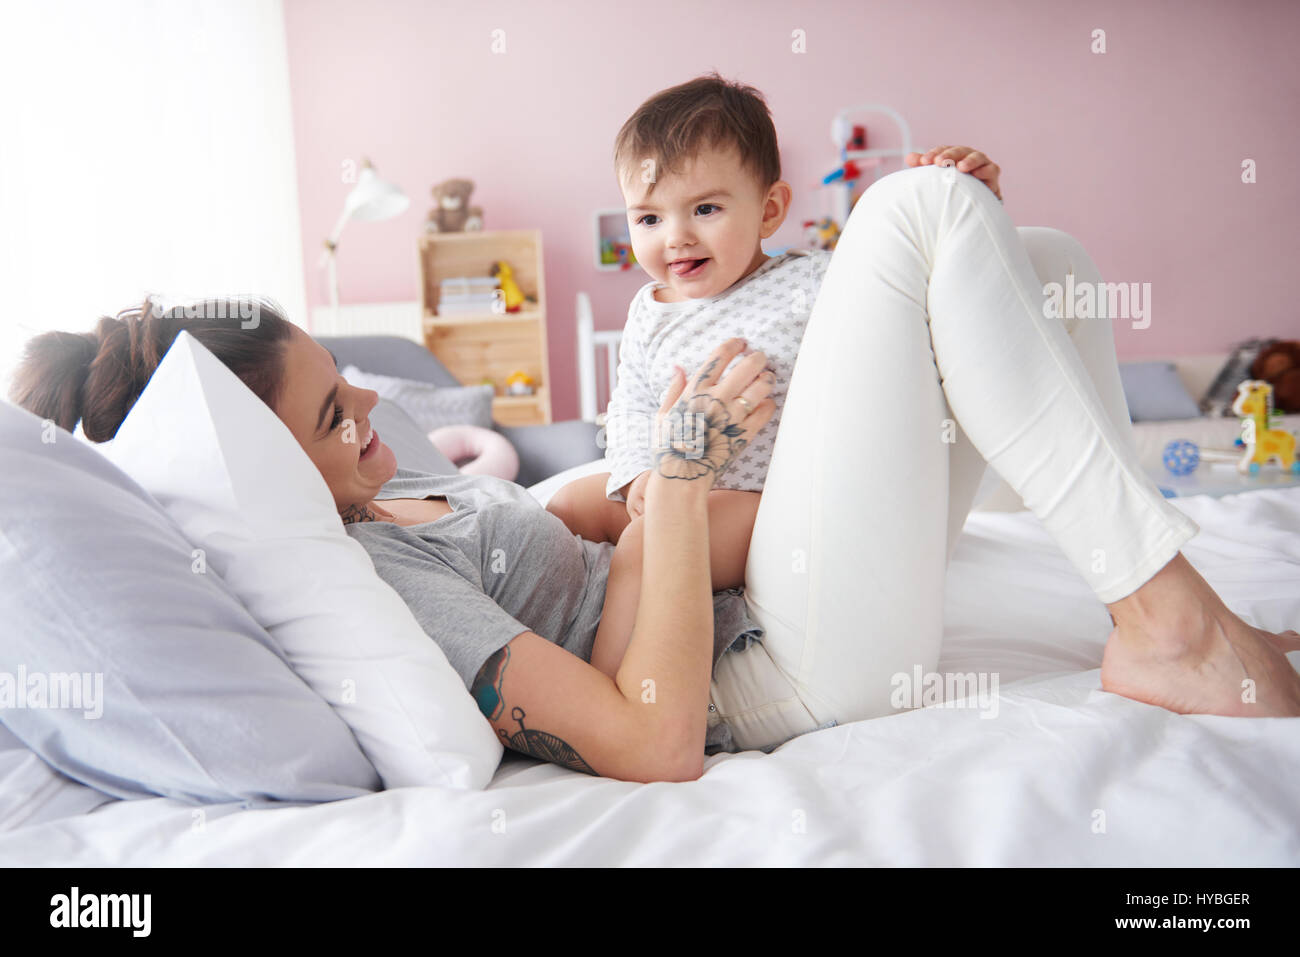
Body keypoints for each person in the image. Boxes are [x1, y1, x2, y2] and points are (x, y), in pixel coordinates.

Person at [13, 165, 1300, 783]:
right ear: (260, 469)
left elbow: (556, 522)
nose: (368, 417)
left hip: (753, 587)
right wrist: (675, 488)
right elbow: (647, 736)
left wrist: (634, 479)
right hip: (762, 674)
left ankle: (1134, 578)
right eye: (331, 416)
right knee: (918, 216)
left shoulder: (398, 501)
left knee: (1047, 257)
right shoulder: (377, 585)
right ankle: (1171, 630)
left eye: (347, 387)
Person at [546, 72, 1008, 677]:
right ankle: (552, 622)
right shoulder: (648, 309)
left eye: (705, 209)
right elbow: (631, 403)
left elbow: (922, 300)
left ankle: (612, 691)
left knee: (648, 543)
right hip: (672, 478)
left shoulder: (814, 281)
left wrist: (970, 205)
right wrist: (635, 474)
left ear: (769, 210)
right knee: (567, 505)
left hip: (763, 502)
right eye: (649, 218)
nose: (676, 237)